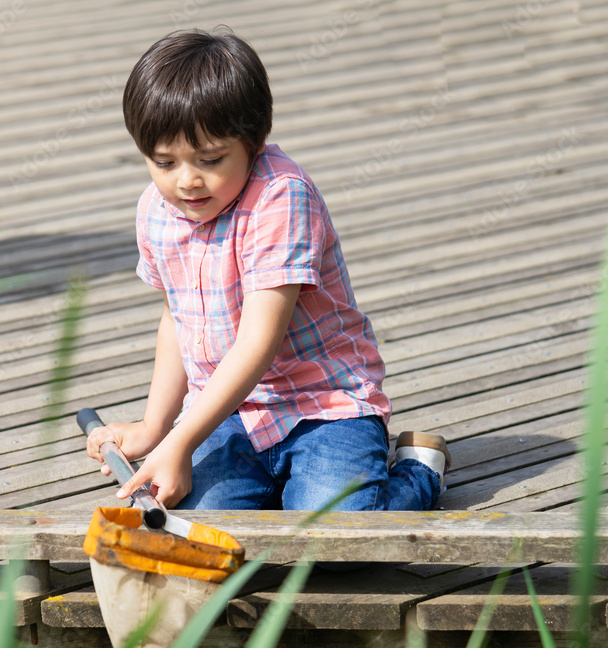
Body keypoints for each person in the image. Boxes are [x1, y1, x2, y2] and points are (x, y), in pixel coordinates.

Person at [85, 28, 450, 515]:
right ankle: (291, 488)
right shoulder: (157, 210)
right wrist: (155, 428)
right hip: (227, 413)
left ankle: (418, 465)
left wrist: (179, 441)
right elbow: (178, 319)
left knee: (334, 536)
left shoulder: (281, 196)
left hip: (323, 406)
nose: (187, 180)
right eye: (163, 161)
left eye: (210, 159)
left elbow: (259, 342)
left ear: (254, 143)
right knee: (200, 524)